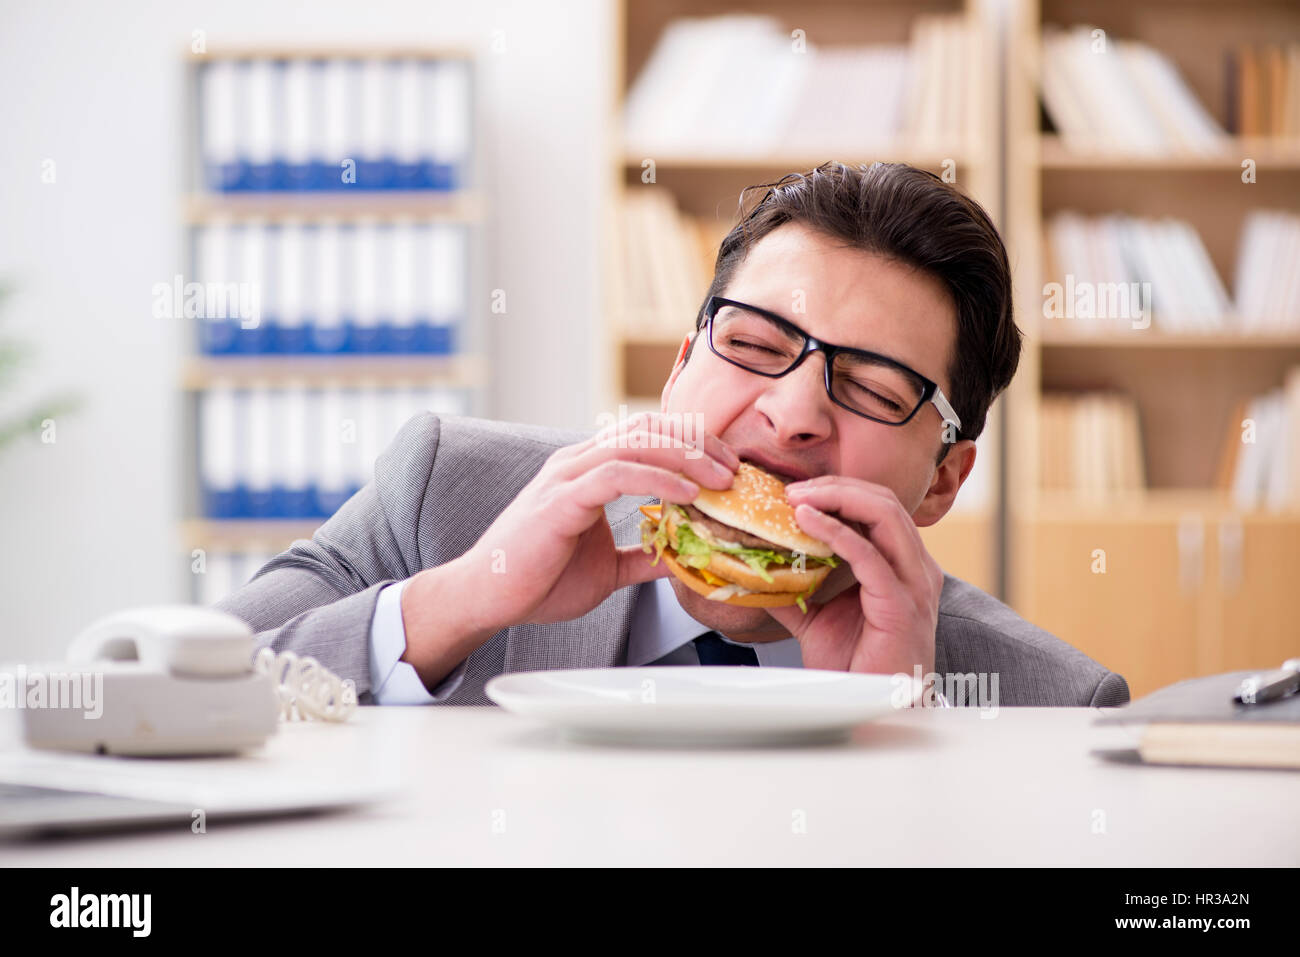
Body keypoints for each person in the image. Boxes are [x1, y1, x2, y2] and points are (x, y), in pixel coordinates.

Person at [216, 162, 1130, 708]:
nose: (795, 410)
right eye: (754, 345)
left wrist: (885, 744)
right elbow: (159, 698)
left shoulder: (1050, 701)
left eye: (873, 386)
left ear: (942, 479)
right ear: (680, 363)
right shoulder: (444, 491)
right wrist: (457, 602)